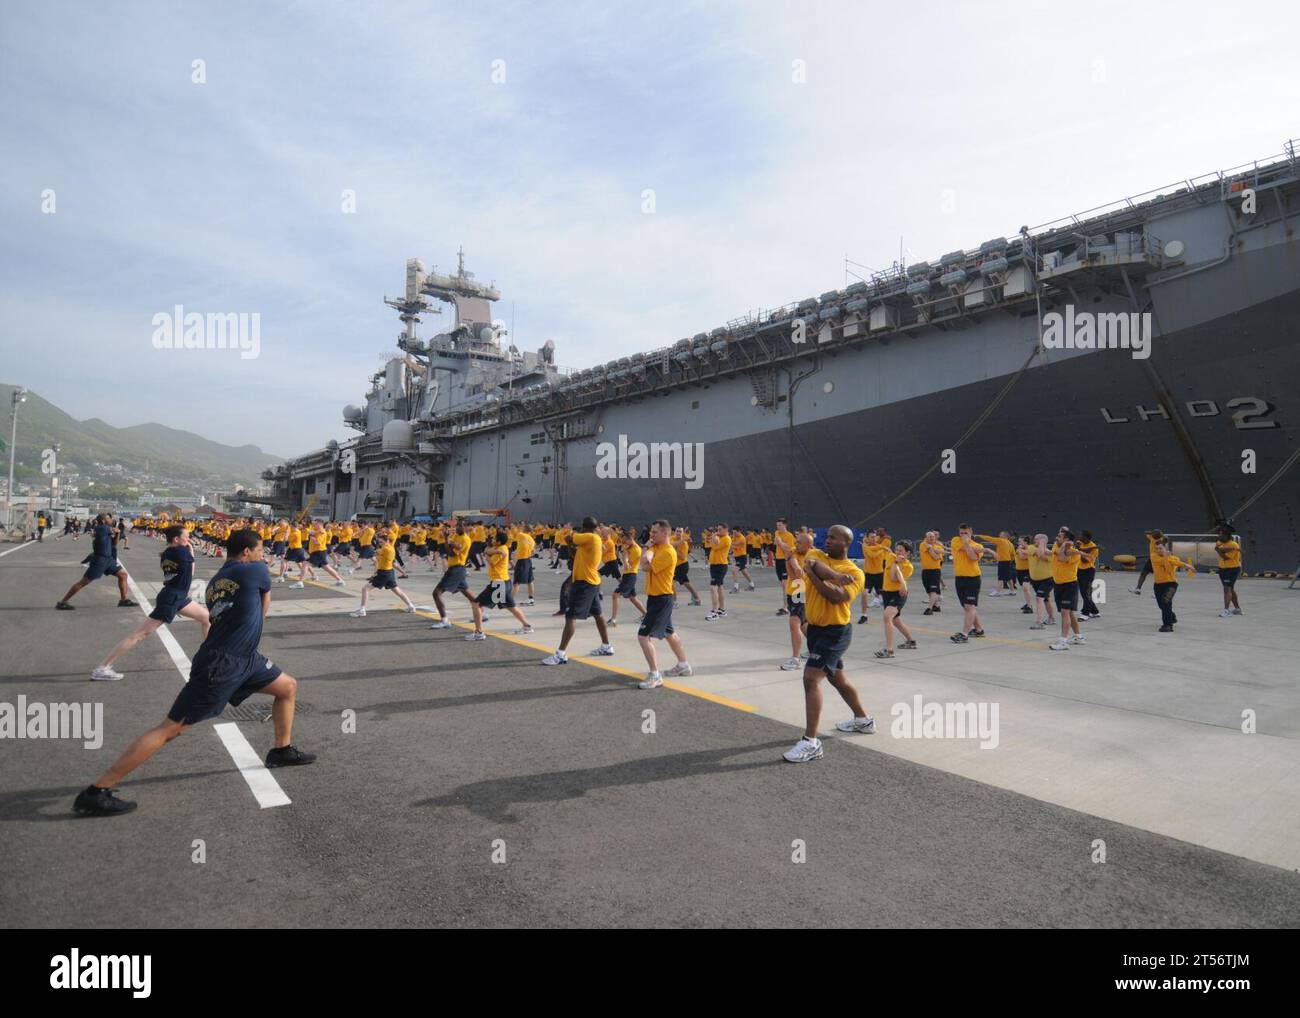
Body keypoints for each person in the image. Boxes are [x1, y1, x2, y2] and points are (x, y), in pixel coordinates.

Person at [72, 527, 316, 816]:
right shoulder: (255, 570)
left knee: (287, 687)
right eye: (261, 550)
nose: (264, 555)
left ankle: (281, 750)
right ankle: (97, 790)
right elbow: (264, 610)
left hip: (243, 657)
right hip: (223, 664)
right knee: (171, 728)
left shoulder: (217, 581)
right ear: (248, 552)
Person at [781, 525, 871, 763]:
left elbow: (836, 596)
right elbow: (814, 566)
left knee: (811, 678)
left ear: (846, 543)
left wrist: (817, 576)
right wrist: (834, 577)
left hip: (836, 632)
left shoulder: (855, 572)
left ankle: (811, 742)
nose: (827, 540)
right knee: (837, 678)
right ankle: (863, 720)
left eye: (833, 538)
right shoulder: (817, 555)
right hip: (816, 630)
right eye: (827, 536)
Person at [90, 525, 211, 681]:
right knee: (138, 635)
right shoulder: (182, 552)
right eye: (186, 536)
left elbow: (187, 573)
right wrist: (191, 553)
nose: (189, 539)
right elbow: (192, 572)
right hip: (172, 598)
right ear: (176, 539)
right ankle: (102, 667)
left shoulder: (167, 553)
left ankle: (210, 657)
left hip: (176, 596)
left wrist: (191, 553)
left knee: (206, 617)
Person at [542, 517, 614, 664]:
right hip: (591, 582)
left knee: (570, 617)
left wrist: (570, 535)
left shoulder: (590, 537)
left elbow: (569, 537)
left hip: (585, 583)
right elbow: (573, 550)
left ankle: (560, 654)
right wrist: (570, 542)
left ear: (585, 527)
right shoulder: (590, 540)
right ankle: (606, 646)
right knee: (598, 615)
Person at [636, 520, 693, 688]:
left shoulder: (668, 552)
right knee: (670, 633)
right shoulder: (657, 547)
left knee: (643, 636)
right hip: (656, 597)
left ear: (665, 534)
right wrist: (648, 551)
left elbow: (645, 566)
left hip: (662, 599)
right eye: (651, 532)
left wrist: (647, 551)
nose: (651, 535)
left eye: (655, 532)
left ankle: (655, 675)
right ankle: (683, 665)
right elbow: (645, 560)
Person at [56, 512, 137, 610]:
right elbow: (112, 529)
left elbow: (114, 544)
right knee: (84, 581)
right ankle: (63, 602)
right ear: (103, 520)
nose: (111, 520)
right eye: (109, 518)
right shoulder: (101, 528)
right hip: (100, 560)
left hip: (108, 560)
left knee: (123, 575)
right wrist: (116, 530)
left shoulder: (106, 530)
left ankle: (123, 600)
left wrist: (118, 533)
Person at [465, 532, 534, 639]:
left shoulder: (501, 550)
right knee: (511, 607)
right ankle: (527, 626)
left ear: (498, 541)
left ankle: (478, 633)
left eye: (494, 539)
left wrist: (486, 555)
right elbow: (487, 550)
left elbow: (492, 562)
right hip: (505, 582)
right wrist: (488, 552)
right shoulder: (501, 548)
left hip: (498, 583)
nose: (492, 540)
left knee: (476, 604)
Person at [349, 533, 417, 617]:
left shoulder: (385, 549)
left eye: (381, 542)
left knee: (365, 589)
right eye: (379, 542)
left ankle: (362, 610)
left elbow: (375, 552)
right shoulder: (391, 547)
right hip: (389, 572)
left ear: (387, 541)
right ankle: (411, 606)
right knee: (397, 590)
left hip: (384, 573)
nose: (380, 543)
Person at [429, 520, 476, 629]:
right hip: (456, 569)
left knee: (436, 593)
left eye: (460, 526)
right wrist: (447, 540)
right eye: (457, 525)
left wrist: (450, 543)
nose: (457, 527)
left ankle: (444, 620)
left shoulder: (465, 539)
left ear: (466, 527)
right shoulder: (456, 536)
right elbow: (447, 549)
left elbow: (451, 553)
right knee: (468, 593)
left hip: (457, 569)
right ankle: (481, 612)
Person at [875, 541, 917, 658]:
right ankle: (911, 641)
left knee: (887, 617)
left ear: (907, 553)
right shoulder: (890, 557)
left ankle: (889, 650)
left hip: (898, 594)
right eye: (897, 550)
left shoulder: (908, 566)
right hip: (886, 592)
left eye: (901, 550)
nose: (897, 552)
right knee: (895, 620)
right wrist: (895, 561)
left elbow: (893, 578)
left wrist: (897, 564)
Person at [779, 531, 813, 671]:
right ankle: (816, 649)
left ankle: (796, 659)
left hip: (801, 590)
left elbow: (800, 573)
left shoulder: (814, 555)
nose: (796, 544)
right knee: (803, 624)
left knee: (794, 623)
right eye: (796, 541)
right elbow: (795, 567)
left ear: (809, 545)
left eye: (799, 542)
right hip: (794, 590)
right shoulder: (793, 553)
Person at [948, 524, 987, 643]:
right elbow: (970, 550)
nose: (963, 535)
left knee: (969, 606)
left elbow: (972, 557)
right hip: (959, 578)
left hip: (973, 578)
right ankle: (979, 630)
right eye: (961, 533)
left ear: (971, 532)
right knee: (967, 606)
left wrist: (967, 543)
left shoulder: (977, 545)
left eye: (966, 533)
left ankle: (964, 634)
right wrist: (968, 545)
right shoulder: (955, 540)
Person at [1049, 532, 1085, 651]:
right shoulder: (1056, 546)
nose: (1056, 538)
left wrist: (1064, 545)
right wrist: (1063, 545)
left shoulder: (1075, 554)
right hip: (1058, 584)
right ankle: (1079, 637)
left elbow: (1062, 558)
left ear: (1067, 540)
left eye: (1059, 537)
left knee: (1065, 612)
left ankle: (1063, 642)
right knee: (1068, 613)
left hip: (1069, 584)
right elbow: (1058, 553)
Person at [1150, 537, 1194, 631]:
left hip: (1171, 585)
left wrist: (1185, 565)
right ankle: (1172, 617)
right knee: (1161, 605)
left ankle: (1168, 625)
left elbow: (1169, 569)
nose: (1158, 550)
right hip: (1158, 585)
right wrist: (1167, 557)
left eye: (1160, 548)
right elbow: (1167, 562)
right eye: (1156, 548)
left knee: (1166, 603)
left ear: (1166, 548)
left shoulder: (1174, 558)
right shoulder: (1154, 556)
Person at [608, 529, 646, 627]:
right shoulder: (629, 548)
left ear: (631, 539)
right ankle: (646, 615)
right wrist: (624, 551)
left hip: (631, 575)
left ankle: (614, 619)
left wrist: (624, 553)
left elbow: (626, 564)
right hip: (627, 575)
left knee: (615, 594)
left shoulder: (636, 549)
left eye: (625, 541)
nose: (624, 543)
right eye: (623, 541)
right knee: (633, 598)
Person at [1026, 533, 1056, 630]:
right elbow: (1040, 553)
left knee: (1039, 598)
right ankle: (1051, 618)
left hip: (1047, 579)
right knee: (1045, 599)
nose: (1035, 541)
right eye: (1035, 539)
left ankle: (1039, 622)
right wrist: (1043, 548)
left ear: (1044, 541)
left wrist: (1042, 544)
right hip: (1035, 580)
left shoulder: (1051, 553)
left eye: (1037, 540)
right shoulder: (1031, 547)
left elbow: (1040, 555)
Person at [704, 524, 732, 621]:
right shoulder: (720, 537)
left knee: (713, 587)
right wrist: (715, 537)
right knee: (719, 587)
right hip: (715, 565)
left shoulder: (726, 539)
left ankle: (714, 612)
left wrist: (714, 536)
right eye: (717, 529)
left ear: (726, 529)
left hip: (720, 565)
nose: (718, 531)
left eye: (720, 529)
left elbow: (715, 547)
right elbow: (713, 544)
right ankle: (722, 610)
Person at [1214, 527, 1243, 617]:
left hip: (1232, 569)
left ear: (1227, 536)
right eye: (1219, 534)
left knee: (1227, 589)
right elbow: (1221, 550)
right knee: (1230, 589)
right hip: (1223, 568)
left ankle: (1226, 610)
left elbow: (1226, 557)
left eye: (1222, 534)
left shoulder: (1234, 545)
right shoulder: (1219, 542)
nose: (1220, 536)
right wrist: (1220, 549)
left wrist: (1218, 550)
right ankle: (1237, 609)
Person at [919, 530, 946, 615]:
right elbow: (935, 554)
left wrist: (931, 549)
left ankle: (929, 608)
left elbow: (935, 557)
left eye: (933, 537)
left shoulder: (938, 546)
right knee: (928, 590)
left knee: (933, 589)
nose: (931, 538)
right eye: (929, 537)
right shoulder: (922, 544)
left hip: (935, 570)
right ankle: (936, 606)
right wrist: (933, 550)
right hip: (925, 570)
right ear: (926, 538)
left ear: (935, 538)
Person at [1077, 531, 1101, 619]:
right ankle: (1094, 611)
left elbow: (1085, 560)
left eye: (1081, 535)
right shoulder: (1080, 543)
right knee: (1084, 592)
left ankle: (1085, 613)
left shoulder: (1094, 548)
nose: (1079, 537)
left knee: (1086, 592)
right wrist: (1079, 549)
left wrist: (1078, 550)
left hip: (1088, 571)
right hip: (1079, 570)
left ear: (1086, 538)